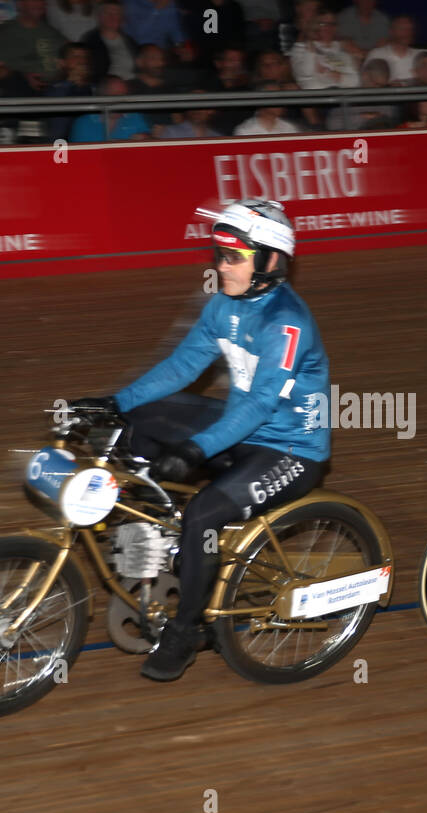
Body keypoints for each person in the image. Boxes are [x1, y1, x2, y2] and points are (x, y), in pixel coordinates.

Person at [72, 200, 330, 681]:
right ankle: (161, 541)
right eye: (218, 254)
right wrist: (116, 402)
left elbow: (260, 406)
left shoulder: (286, 322)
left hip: (289, 448)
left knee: (203, 515)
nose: (220, 265)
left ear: (271, 261)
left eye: (233, 256)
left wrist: (195, 450)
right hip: (239, 427)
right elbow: (183, 366)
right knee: (136, 424)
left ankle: (187, 629)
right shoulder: (224, 305)